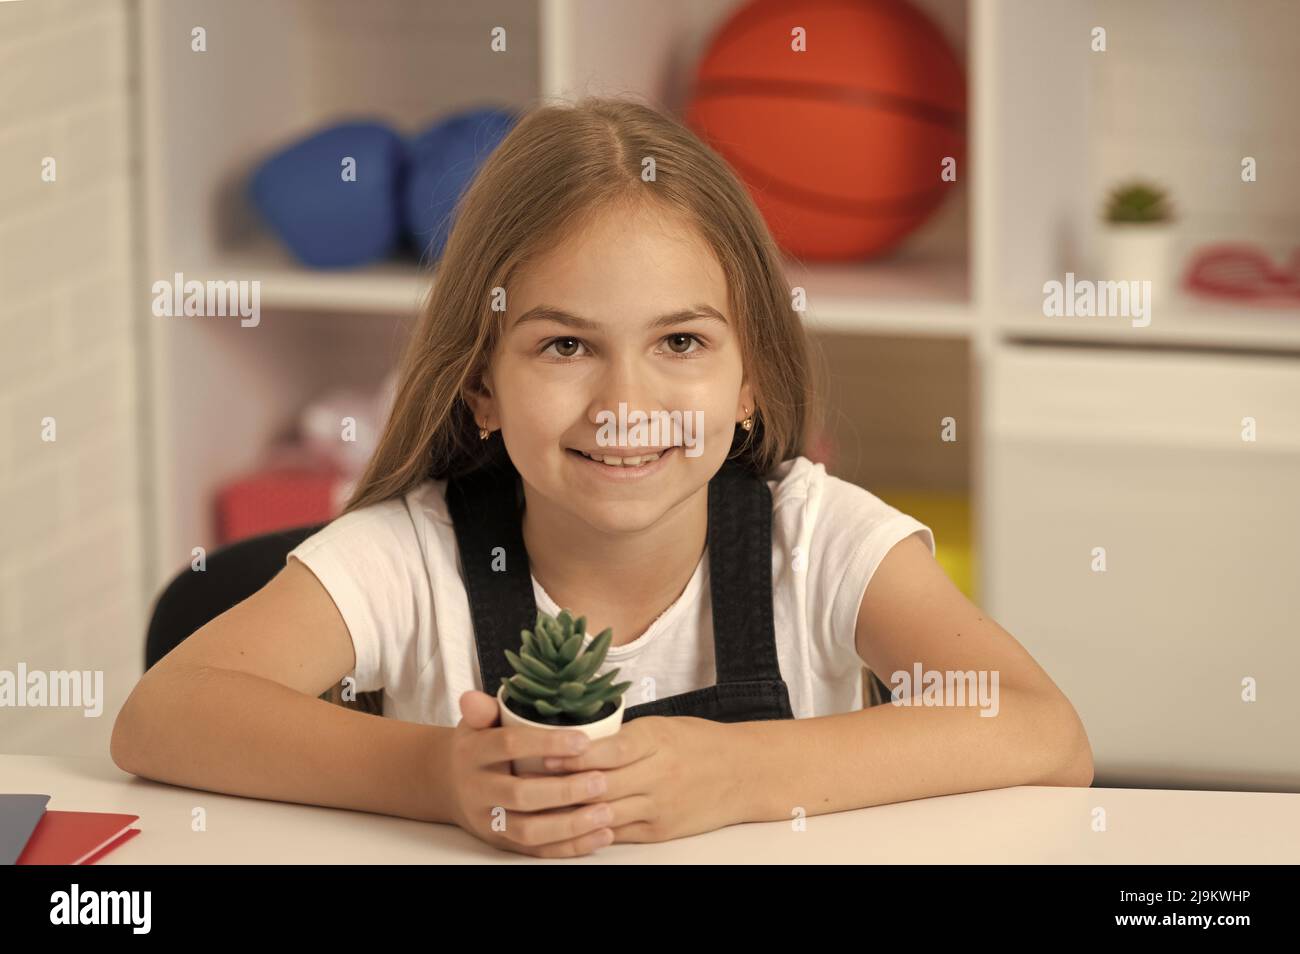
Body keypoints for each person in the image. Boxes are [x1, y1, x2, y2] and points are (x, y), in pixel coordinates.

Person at [112, 97, 1092, 859]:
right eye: (565, 346)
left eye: (680, 342)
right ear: (482, 385)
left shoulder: (821, 541)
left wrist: (743, 774)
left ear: (749, 378)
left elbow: (1044, 732)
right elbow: (165, 714)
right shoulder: (410, 555)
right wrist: (439, 775)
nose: (625, 404)